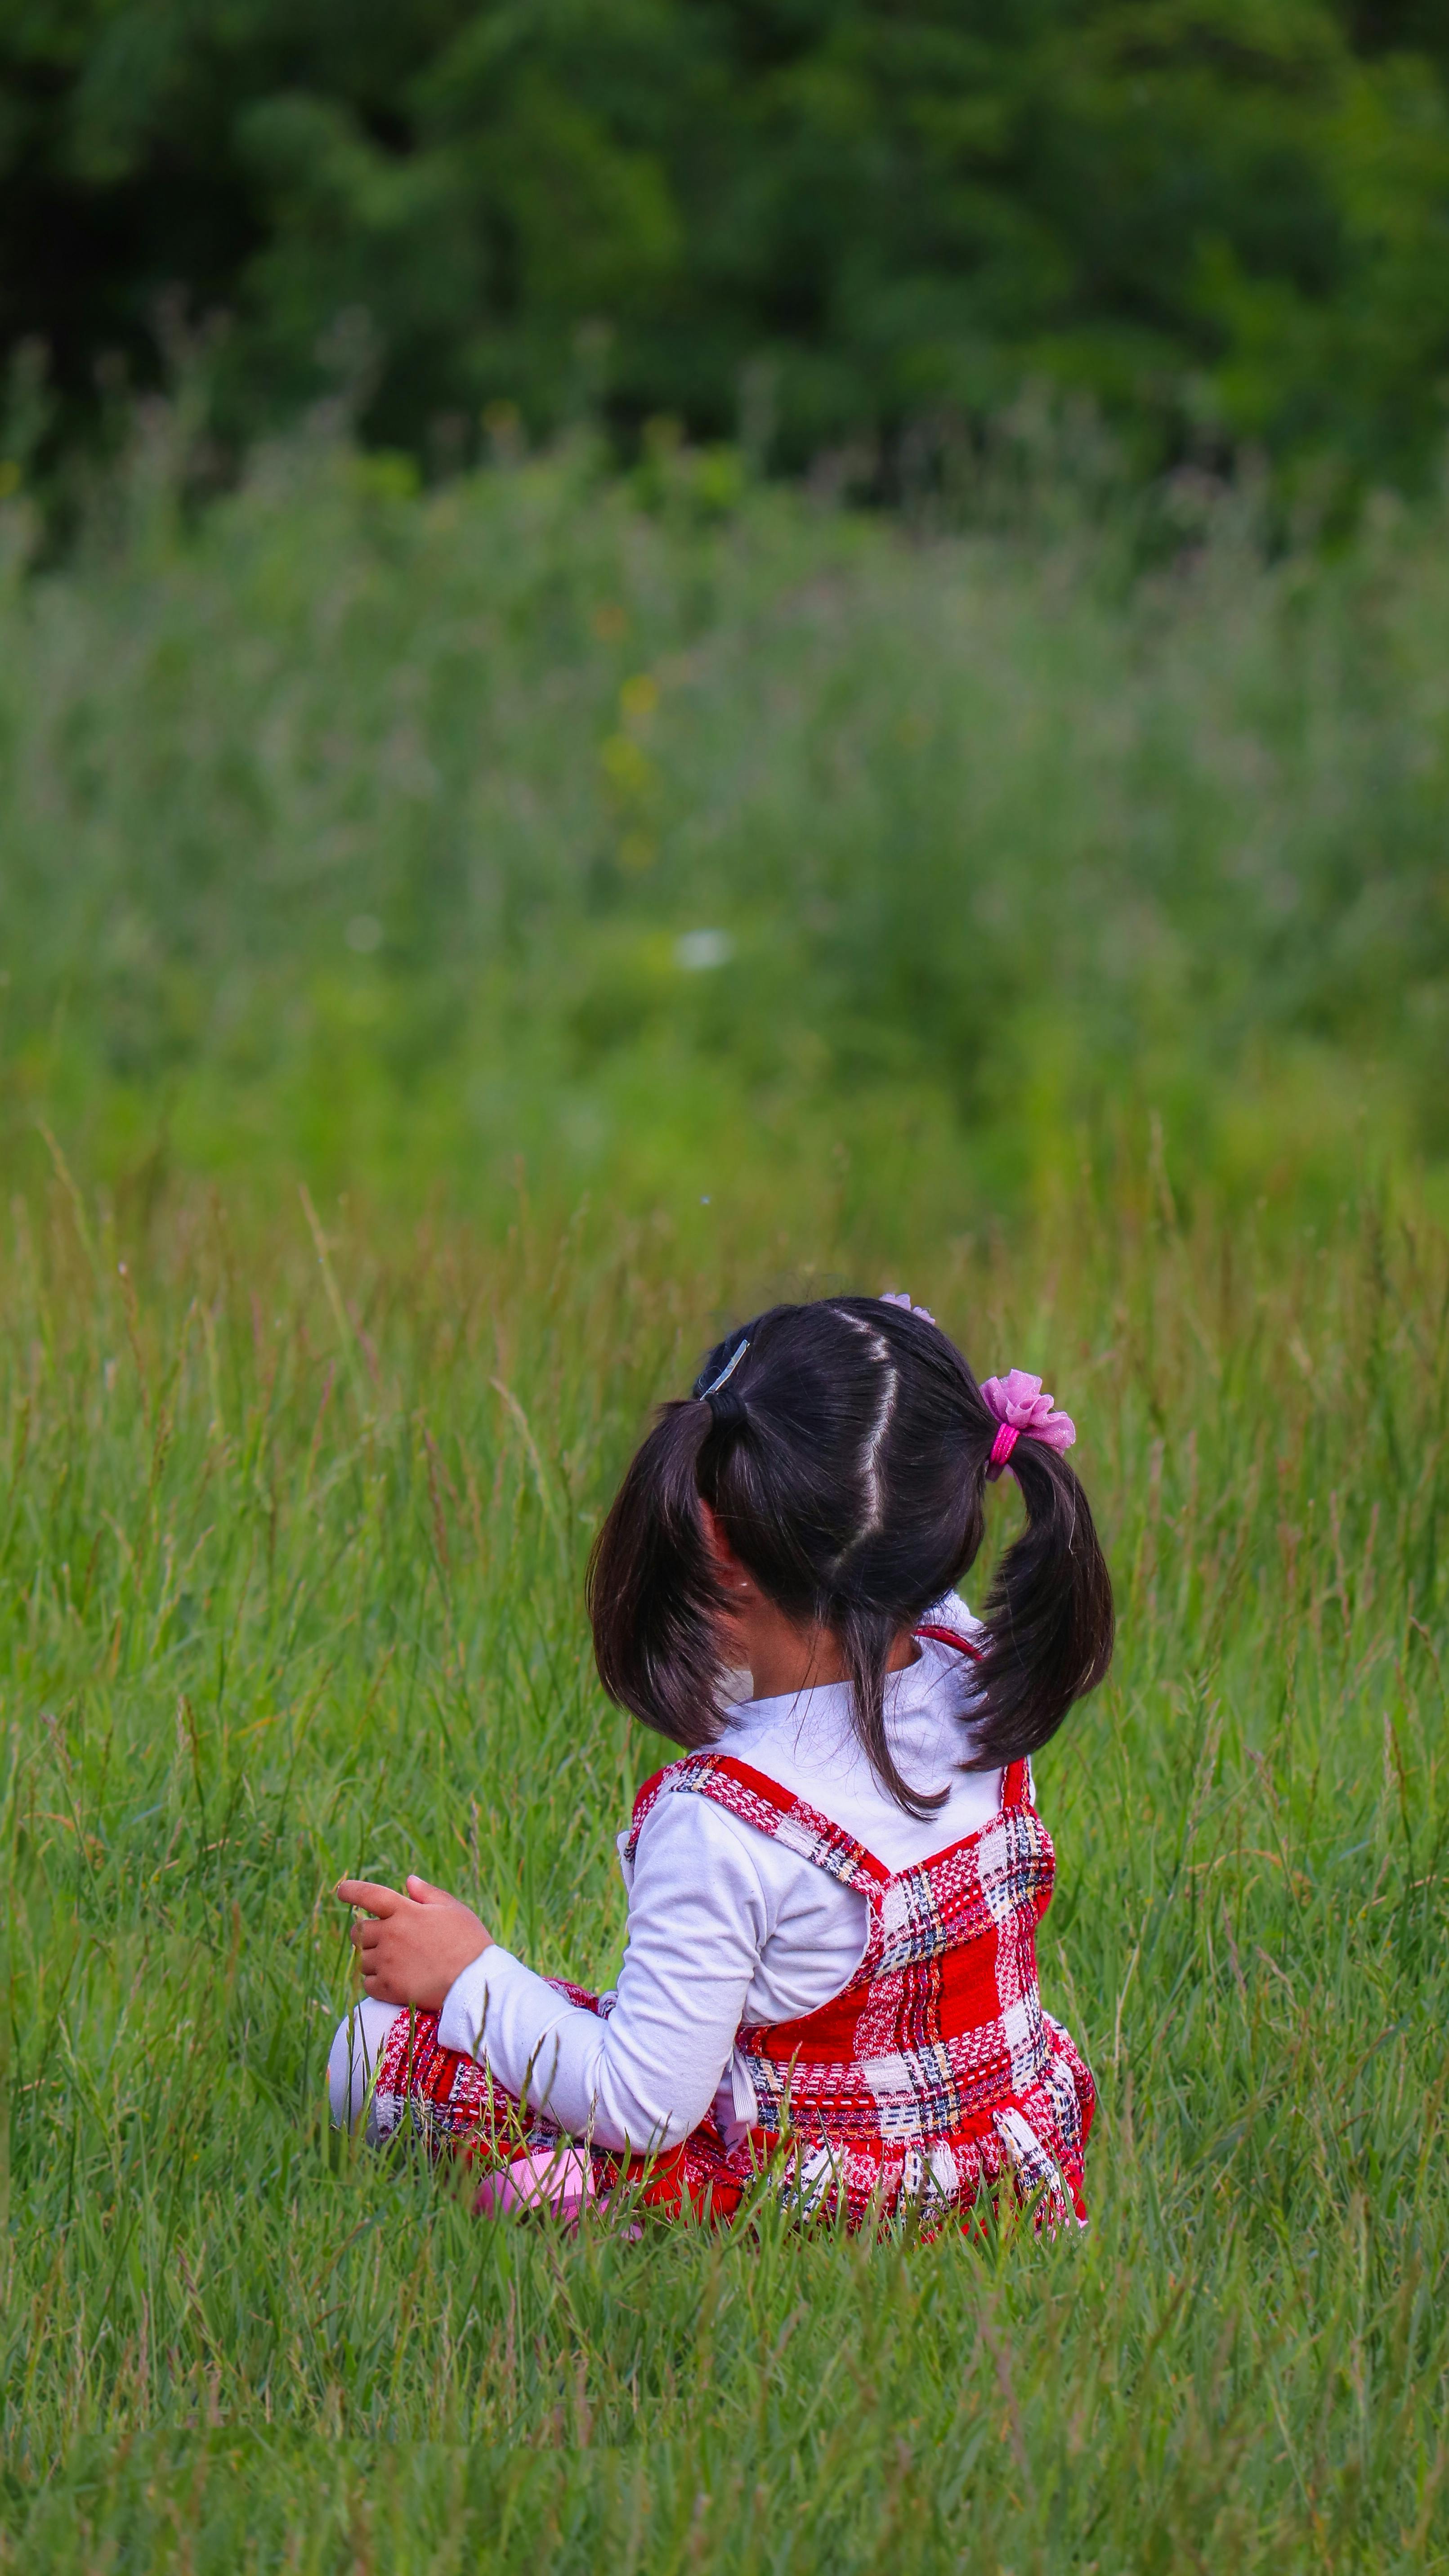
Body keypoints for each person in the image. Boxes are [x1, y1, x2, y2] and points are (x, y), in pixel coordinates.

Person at [328, 1293, 1114, 2234]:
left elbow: (644, 2099)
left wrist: (468, 1975)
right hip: (996, 2157)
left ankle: (601, 2196)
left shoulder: (728, 1818)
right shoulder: (967, 1657)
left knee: (371, 2049)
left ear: (717, 1549)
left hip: (808, 2191)